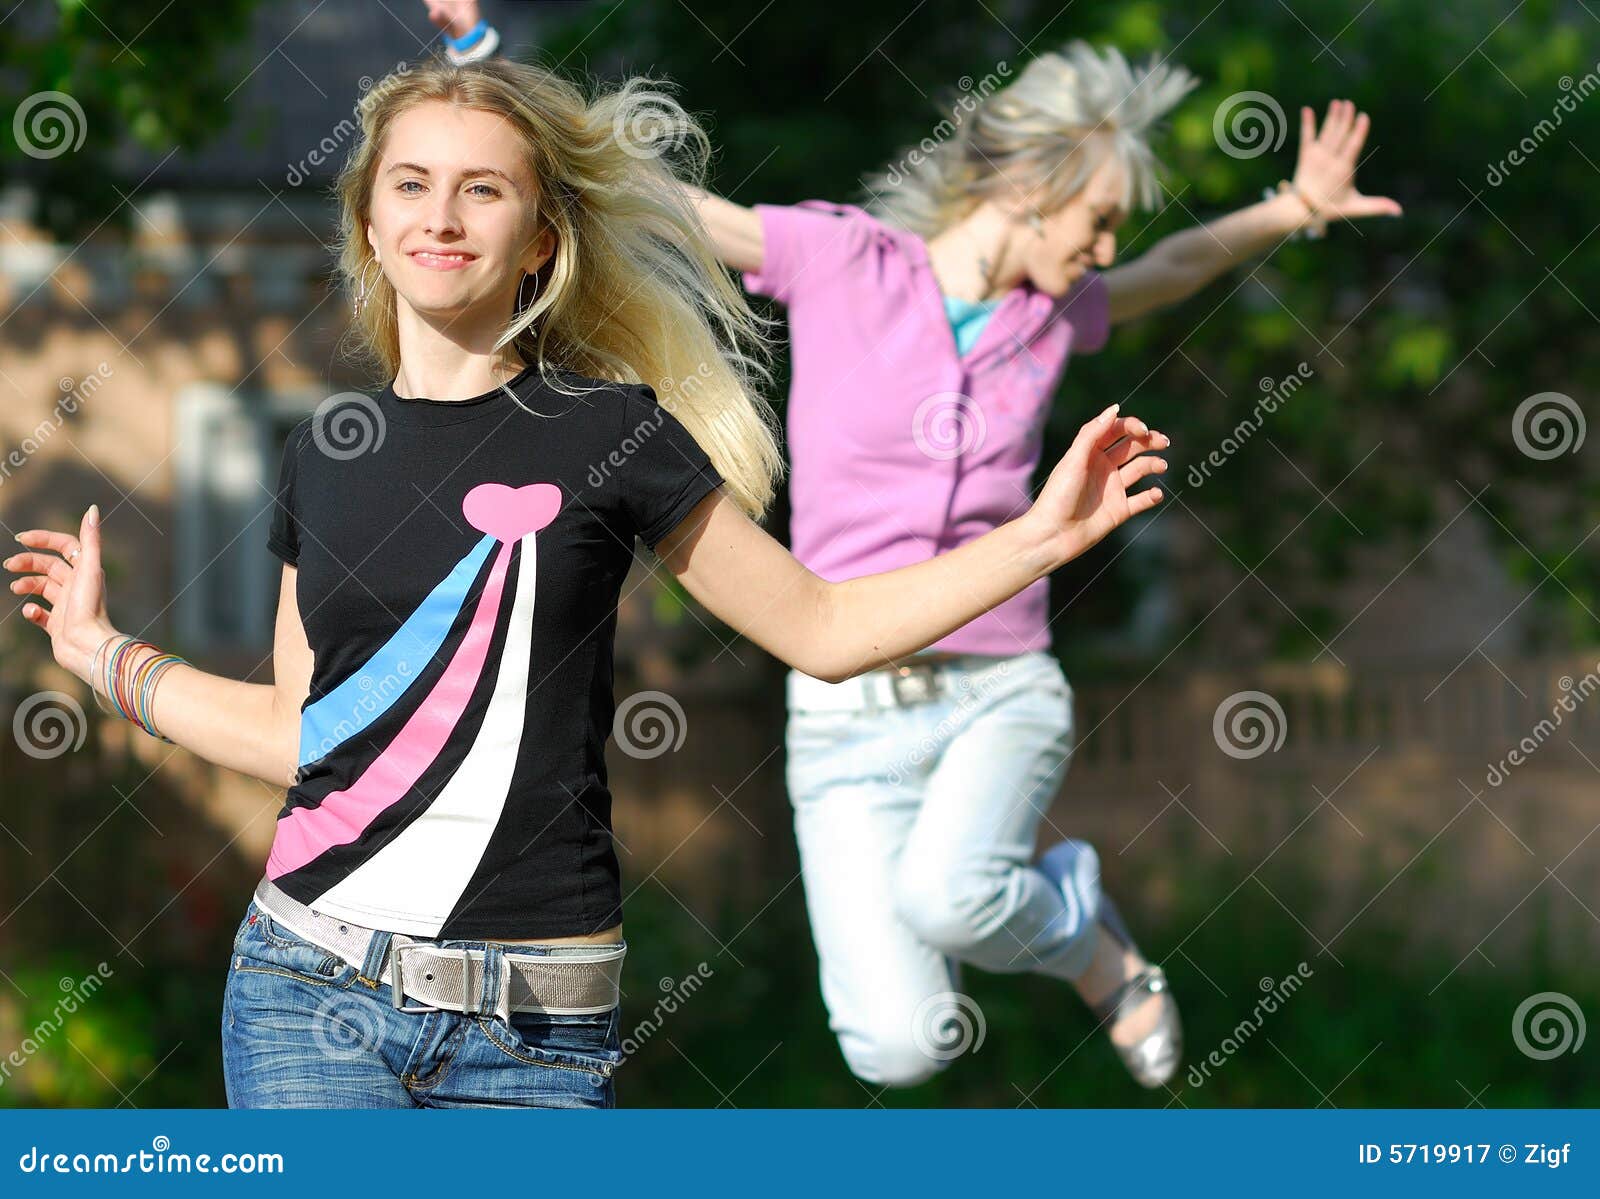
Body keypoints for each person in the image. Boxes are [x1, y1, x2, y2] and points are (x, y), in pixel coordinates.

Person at [3, 55, 1167, 1108]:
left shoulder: (612, 434)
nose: (441, 216)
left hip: (537, 1026)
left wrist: (1037, 539)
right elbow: (301, 736)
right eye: (408, 184)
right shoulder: (324, 451)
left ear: (543, 236)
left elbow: (823, 625)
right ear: (366, 220)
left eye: (482, 189)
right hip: (311, 994)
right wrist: (105, 652)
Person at [687, 42, 1401, 1089]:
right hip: (843, 713)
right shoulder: (842, 260)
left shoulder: (1052, 313)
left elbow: (1174, 268)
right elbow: (678, 211)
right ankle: (1065, 911)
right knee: (895, 1047)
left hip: (997, 687)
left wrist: (1292, 207)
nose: (1110, 244)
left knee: (951, 896)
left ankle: (1095, 951)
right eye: (1099, 218)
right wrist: (488, 74)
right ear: (1027, 189)